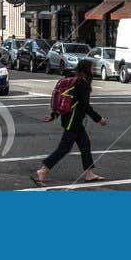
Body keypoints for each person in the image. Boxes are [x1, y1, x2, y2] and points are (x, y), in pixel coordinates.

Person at [33, 58, 107, 186]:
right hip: (73, 120)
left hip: (72, 118)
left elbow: (66, 101)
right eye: (91, 67)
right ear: (86, 69)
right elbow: (85, 105)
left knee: (85, 145)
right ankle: (43, 170)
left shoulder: (76, 80)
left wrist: (54, 115)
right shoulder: (81, 82)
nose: (93, 69)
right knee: (64, 148)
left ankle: (89, 174)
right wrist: (99, 119)